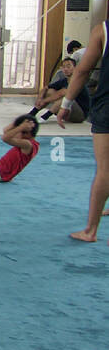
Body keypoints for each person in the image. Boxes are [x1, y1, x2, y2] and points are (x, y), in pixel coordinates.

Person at [56, 18, 109, 242]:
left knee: (105, 169)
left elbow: (82, 71)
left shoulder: (103, 30)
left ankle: (90, 230)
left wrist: (66, 104)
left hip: (107, 105)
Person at [33, 57, 88, 123]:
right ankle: (32, 113)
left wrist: (44, 100)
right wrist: (40, 98)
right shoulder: (64, 80)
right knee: (49, 91)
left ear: (75, 68)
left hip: (79, 115)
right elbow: (46, 88)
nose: (65, 69)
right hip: (66, 111)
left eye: (68, 66)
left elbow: (63, 92)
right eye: (63, 67)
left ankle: (45, 117)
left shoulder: (78, 81)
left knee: (66, 98)